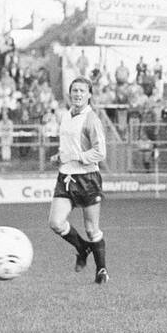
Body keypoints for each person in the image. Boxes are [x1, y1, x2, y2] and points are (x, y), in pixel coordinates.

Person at [48, 77, 109, 284]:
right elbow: (70, 146)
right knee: (56, 223)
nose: (78, 94)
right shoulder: (66, 115)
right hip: (66, 177)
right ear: (70, 93)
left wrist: (74, 157)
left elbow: (100, 153)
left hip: (88, 179)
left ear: (89, 94)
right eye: (75, 90)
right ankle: (82, 247)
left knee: (92, 229)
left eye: (82, 91)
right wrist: (60, 156)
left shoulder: (92, 119)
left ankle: (101, 271)